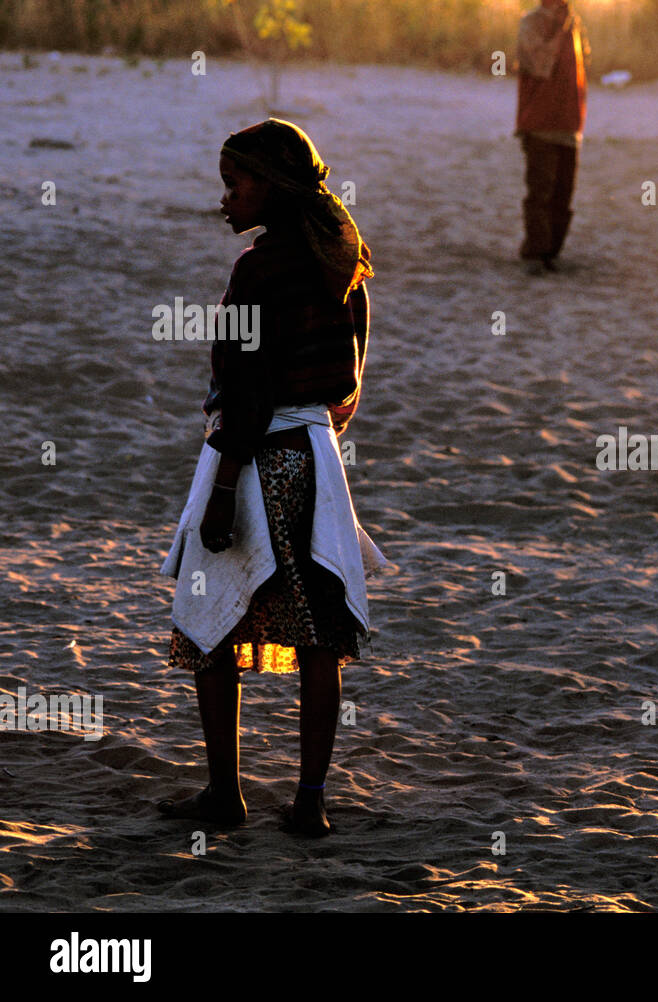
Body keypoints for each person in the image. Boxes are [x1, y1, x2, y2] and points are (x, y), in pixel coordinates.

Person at [159, 119, 386, 838]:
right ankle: (310, 801)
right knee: (320, 633)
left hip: (255, 458)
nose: (224, 200)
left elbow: (248, 392)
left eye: (236, 185)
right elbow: (348, 378)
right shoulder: (341, 259)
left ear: (273, 188)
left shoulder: (259, 270)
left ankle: (225, 793)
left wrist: (224, 485)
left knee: (211, 626)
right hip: (317, 458)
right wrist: (319, 429)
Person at [516, 0, 589, 274]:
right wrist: (558, 26)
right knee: (540, 192)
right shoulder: (532, 23)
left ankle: (551, 253)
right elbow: (539, 65)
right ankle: (534, 254)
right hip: (540, 125)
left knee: (563, 194)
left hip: (569, 126)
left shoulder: (574, 24)